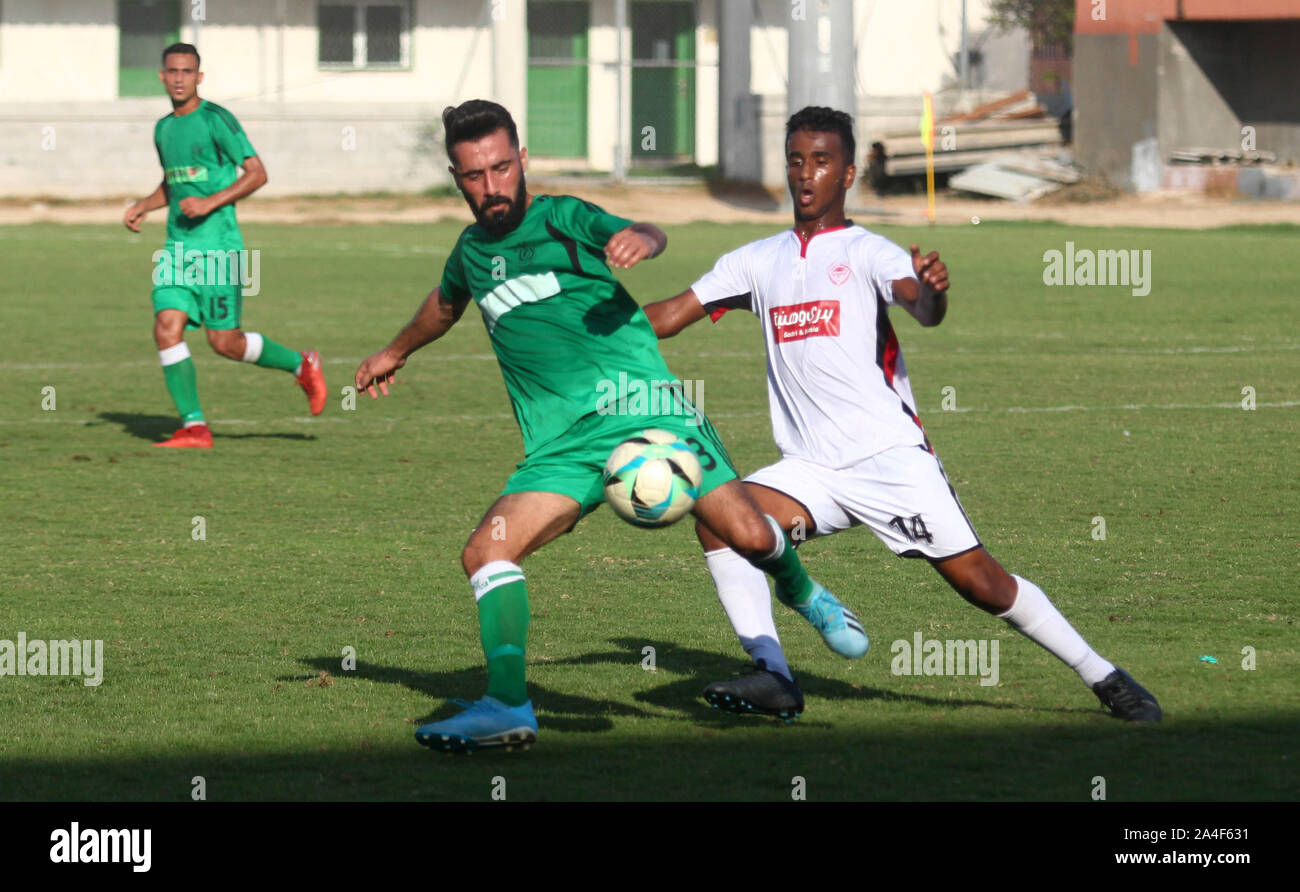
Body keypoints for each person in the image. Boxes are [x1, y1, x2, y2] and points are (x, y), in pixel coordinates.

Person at [353, 99, 865, 753]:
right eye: (475, 175)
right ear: (458, 178)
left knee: (742, 531)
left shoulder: (564, 217)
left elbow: (646, 230)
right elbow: (447, 302)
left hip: (646, 410)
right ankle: (508, 704)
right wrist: (396, 350)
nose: (492, 186)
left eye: (502, 168)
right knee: (486, 551)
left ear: (523, 160)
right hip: (562, 445)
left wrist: (641, 240)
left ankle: (806, 593)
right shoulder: (472, 251)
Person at [642, 106, 1162, 723]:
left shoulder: (868, 252)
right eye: (796, 160)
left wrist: (932, 288)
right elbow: (670, 316)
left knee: (982, 584)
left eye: (822, 161)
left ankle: (1102, 676)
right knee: (720, 518)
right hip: (809, 468)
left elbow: (922, 307)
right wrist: (586, 330)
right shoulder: (757, 261)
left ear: (849, 173)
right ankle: (774, 676)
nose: (806, 174)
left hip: (888, 459)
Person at [123, 43, 326, 448]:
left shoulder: (217, 120)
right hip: (178, 248)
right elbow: (175, 181)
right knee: (166, 328)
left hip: (220, 250)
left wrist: (210, 202)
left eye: (187, 72)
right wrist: (144, 205)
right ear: (162, 77)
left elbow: (257, 173)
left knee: (224, 343)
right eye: (172, 71)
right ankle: (195, 427)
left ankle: (301, 365)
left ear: (199, 78)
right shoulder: (163, 129)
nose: (179, 78)